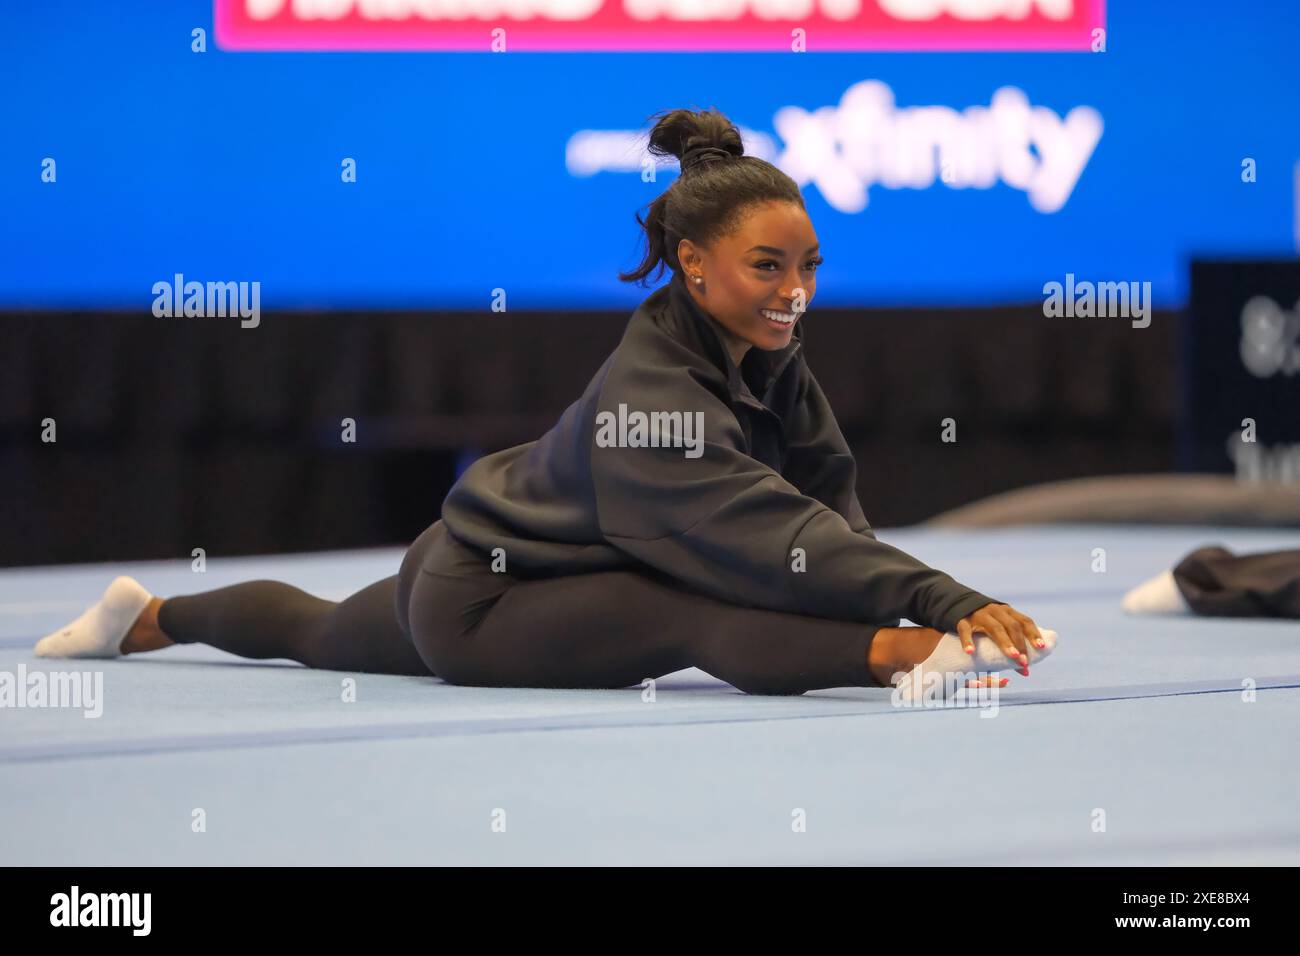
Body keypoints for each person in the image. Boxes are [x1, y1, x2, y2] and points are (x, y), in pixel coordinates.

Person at [35, 107, 1058, 696]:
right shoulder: (652, 397)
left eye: (809, 265)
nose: (796, 290)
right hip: (485, 599)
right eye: (767, 266)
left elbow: (828, 503)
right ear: (691, 265)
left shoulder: (766, 355)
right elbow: (769, 531)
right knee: (697, 615)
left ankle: (148, 616)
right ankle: (898, 665)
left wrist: (882, 575)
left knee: (313, 630)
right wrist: (929, 606)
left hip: (489, 560)